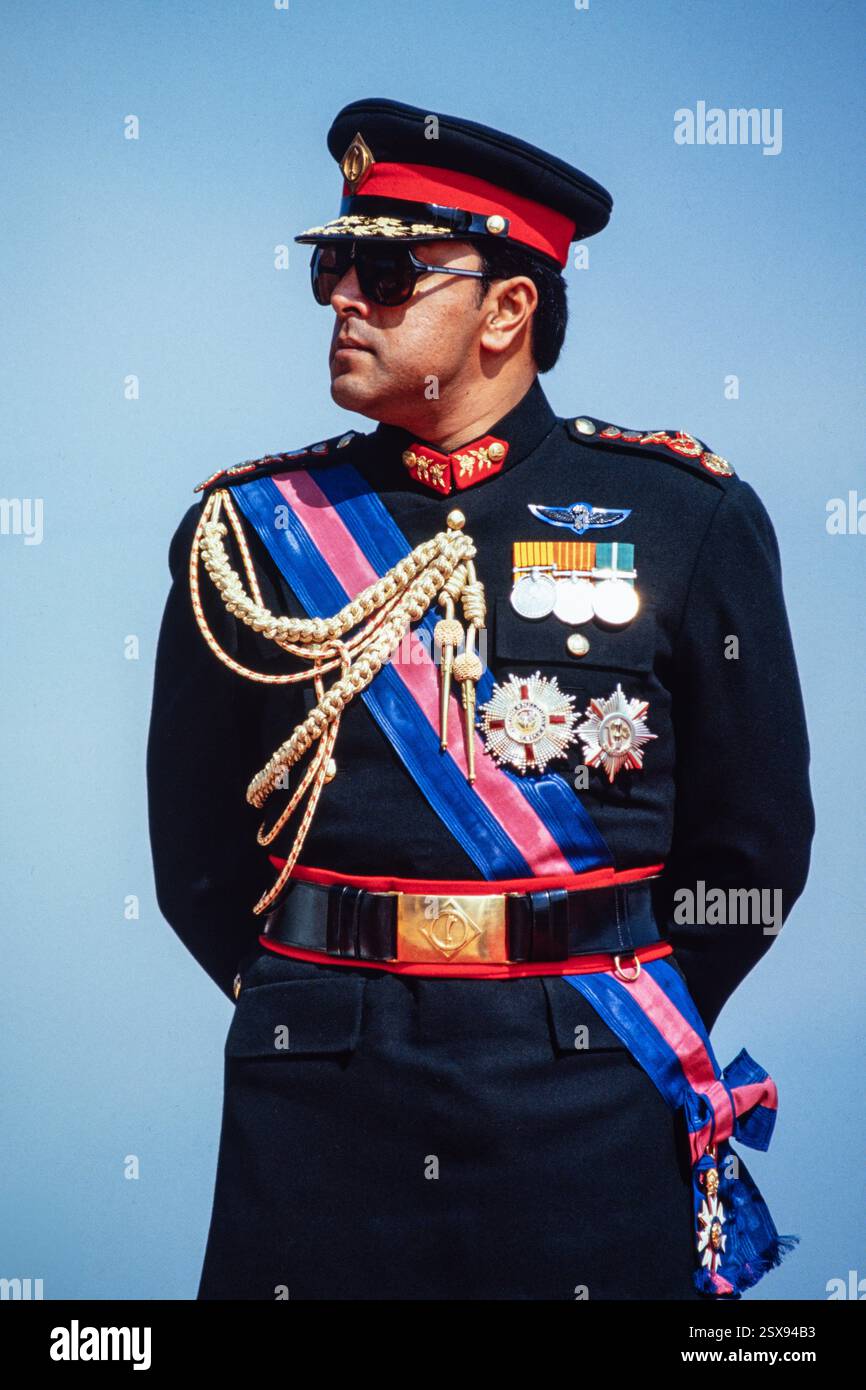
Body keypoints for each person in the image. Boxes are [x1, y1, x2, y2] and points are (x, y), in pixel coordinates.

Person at [146, 96, 815, 1301]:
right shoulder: (245, 535)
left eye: (390, 269)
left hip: (584, 1096)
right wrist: (313, 995)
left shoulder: (681, 518)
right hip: (317, 1098)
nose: (345, 294)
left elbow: (753, 845)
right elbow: (194, 854)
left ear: (509, 307)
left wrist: (602, 1000)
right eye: (333, 266)